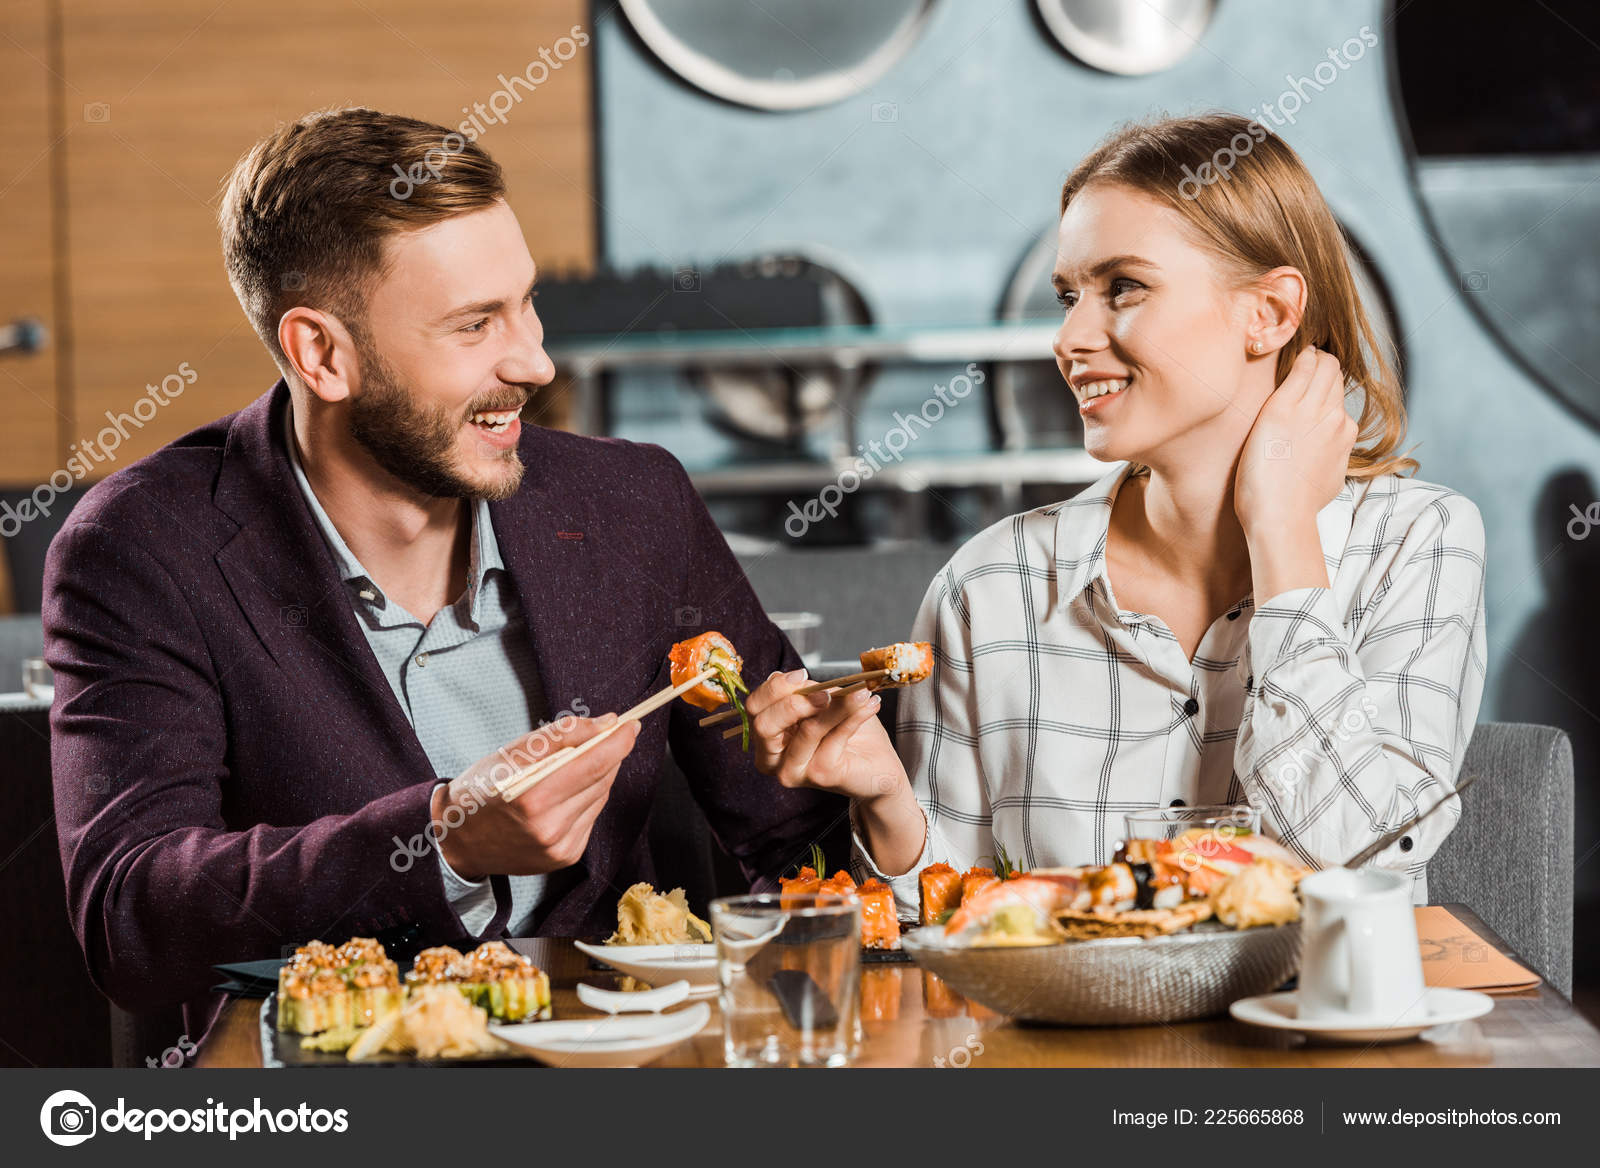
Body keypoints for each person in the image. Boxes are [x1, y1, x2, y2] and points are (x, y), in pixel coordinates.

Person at [44, 108, 844, 1048]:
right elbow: (131, 914)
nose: (536, 360)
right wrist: (445, 838)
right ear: (322, 354)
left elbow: (799, 844)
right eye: (475, 325)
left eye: (526, 303)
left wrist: (876, 810)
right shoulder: (142, 547)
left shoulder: (636, 503)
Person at [744, 113, 1487, 913]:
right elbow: (950, 932)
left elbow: (1354, 869)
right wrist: (889, 806)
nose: (1069, 337)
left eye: (1123, 288)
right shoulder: (989, 585)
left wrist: (1281, 531)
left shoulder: (1419, 542)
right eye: (1069, 296)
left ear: (1268, 313)